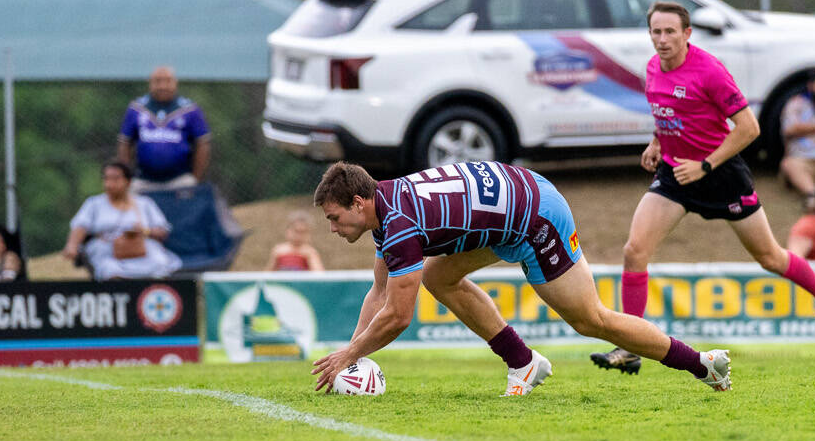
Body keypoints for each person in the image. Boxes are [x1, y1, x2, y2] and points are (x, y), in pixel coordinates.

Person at [311, 160, 733, 396]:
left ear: (358, 201)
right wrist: (352, 354)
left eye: (334, 219)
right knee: (439, 278)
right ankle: (524, 362)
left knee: (591, 320)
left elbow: (397, 316)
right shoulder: (385, 203)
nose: (332, 228)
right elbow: (379, 292)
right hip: (518, 197)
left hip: (536, 218)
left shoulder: (399, 225)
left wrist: (347, 356)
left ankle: (701, 364)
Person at [592, 1, 815, 376]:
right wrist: (657, 142)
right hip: (677, 173)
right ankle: (631, 345)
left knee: (770, 258)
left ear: (687, 34)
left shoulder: (710, 70)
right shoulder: (652, 68)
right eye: (656, 32)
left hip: (720, 173)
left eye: (670, 32)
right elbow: (667, 112)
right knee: (635, 251)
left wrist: (706, 165)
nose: (662, 40)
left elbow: (749, 128)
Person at [62, 161, 183, 279]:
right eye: (106, 179)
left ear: (128, 181)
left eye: (115, 179)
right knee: (109, 269)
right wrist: (72, 245)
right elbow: (80, 226)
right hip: (106, 250)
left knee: (160, 263)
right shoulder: (93, 203)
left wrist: (145, 231)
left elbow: (162, 231)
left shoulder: (144, 203)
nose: (109, 184)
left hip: (141, 249)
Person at [117, 66, 212, 189]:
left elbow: (202, 143)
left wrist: (195, 178)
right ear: (150, 83)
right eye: (157, 81)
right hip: (143, 181)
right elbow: (124, 142)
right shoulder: (136, 108)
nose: (162, 86)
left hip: (180, 180)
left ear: (175, 83)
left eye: (167, 81)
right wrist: (127, 178)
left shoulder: (190, 109)